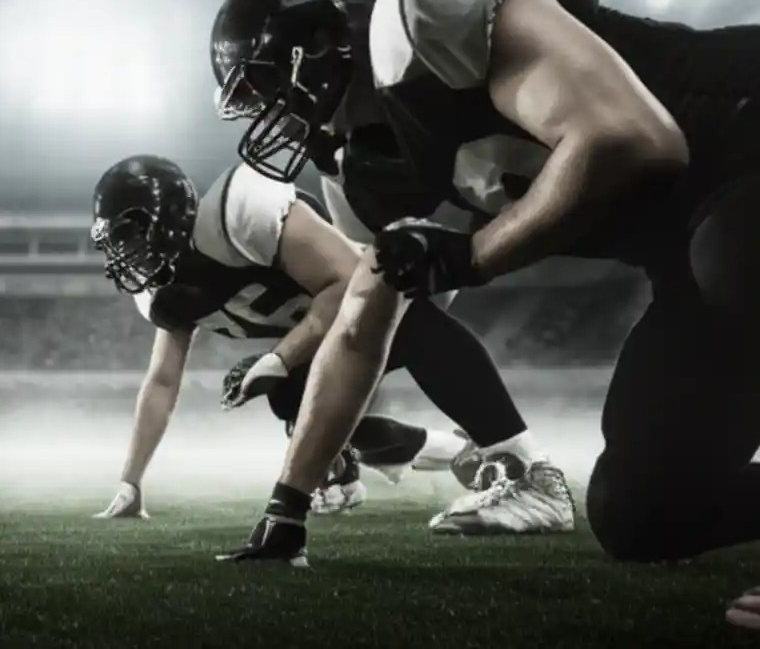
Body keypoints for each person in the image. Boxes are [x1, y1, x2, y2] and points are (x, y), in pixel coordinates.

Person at [209, 0, 760, 627]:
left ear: (321, 40)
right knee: (642, 511)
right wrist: (287, 506)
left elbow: (633, 139)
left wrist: (471, 255)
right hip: (693, 256)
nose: (269, 115)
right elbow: (358, 333)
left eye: (266, 85)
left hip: (747, 136)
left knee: (737, 250)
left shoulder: (431, 10)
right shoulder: (364, 177)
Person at [87, 155, 563, 532]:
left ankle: (530, 469)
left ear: (167, 214)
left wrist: (280, 355)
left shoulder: (236, 212)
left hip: (389, 279)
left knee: (405, 312)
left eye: (130, 237)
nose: (127, 256)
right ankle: (438, 452)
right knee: (291, 395)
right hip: (327, 334)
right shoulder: (164, 295)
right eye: (116, 245)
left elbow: (352, 284)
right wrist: (131, 480)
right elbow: (162, 382)